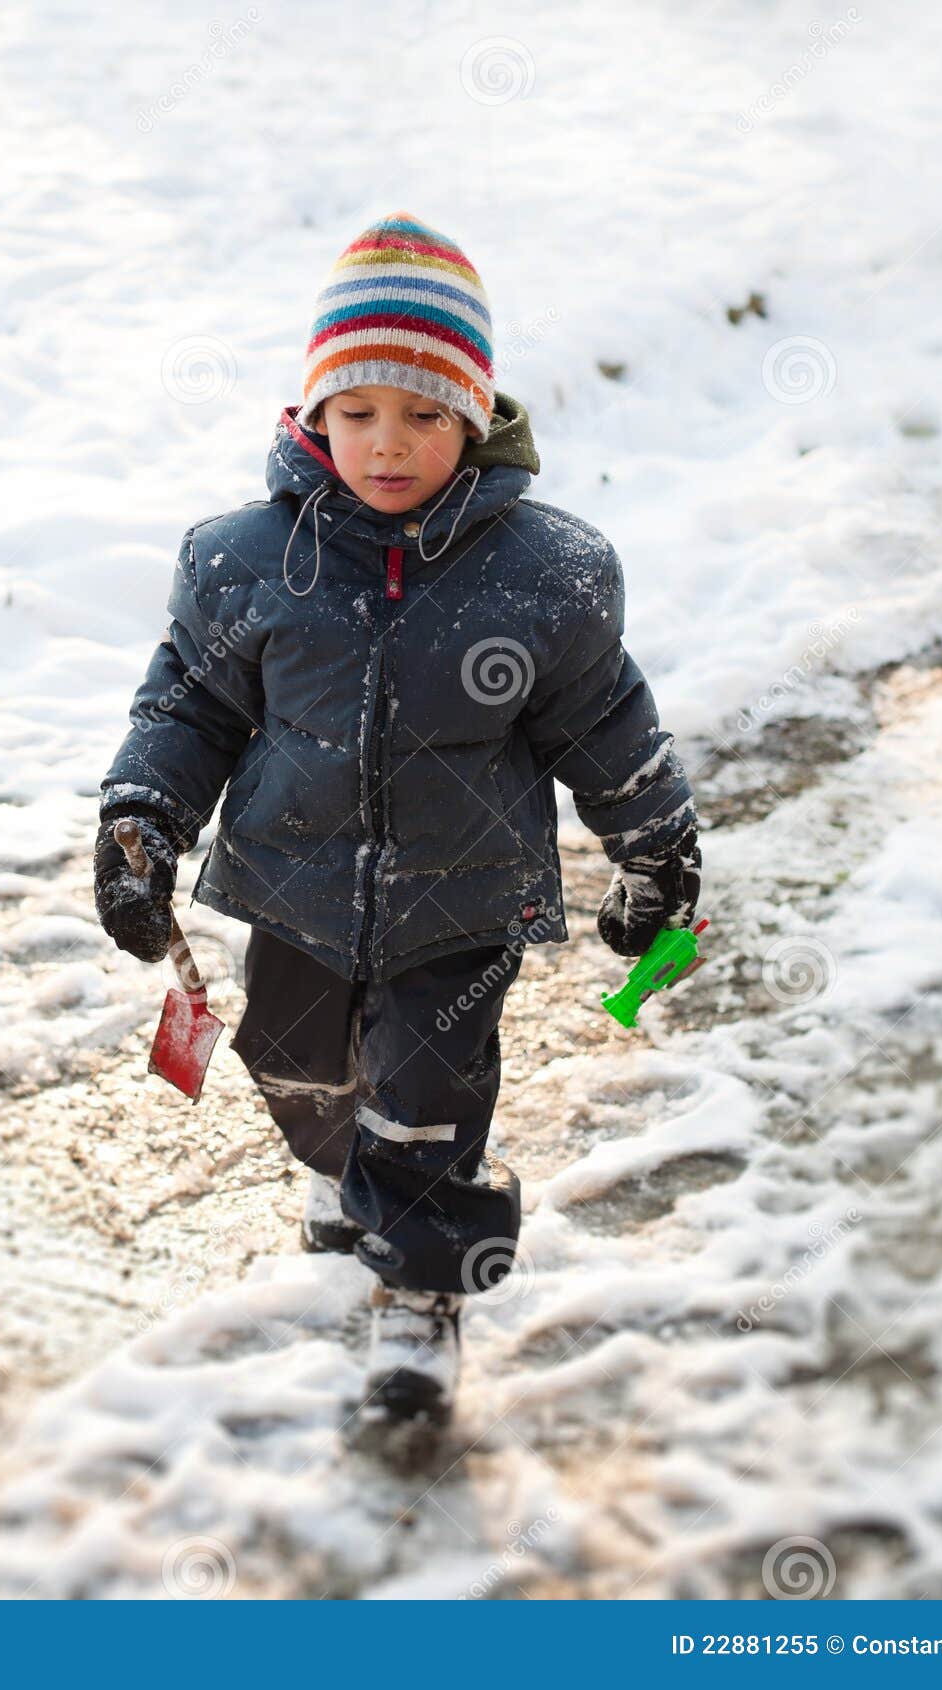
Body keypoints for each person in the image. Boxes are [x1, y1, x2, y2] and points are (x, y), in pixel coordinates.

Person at [93, 212, 700, 1424]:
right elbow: (191, 708)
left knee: (427, 1105)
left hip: (460, 902)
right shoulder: (244, 561)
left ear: (475, 418)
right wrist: (143, 821)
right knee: (293, 1064)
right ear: (314, 411)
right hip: (292, 886)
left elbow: (604, 722)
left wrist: (656, 846)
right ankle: (343, 1170)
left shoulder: (543, 574)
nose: (388, 442)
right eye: (358, 410)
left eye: (425, 414)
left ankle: (422, 1295)